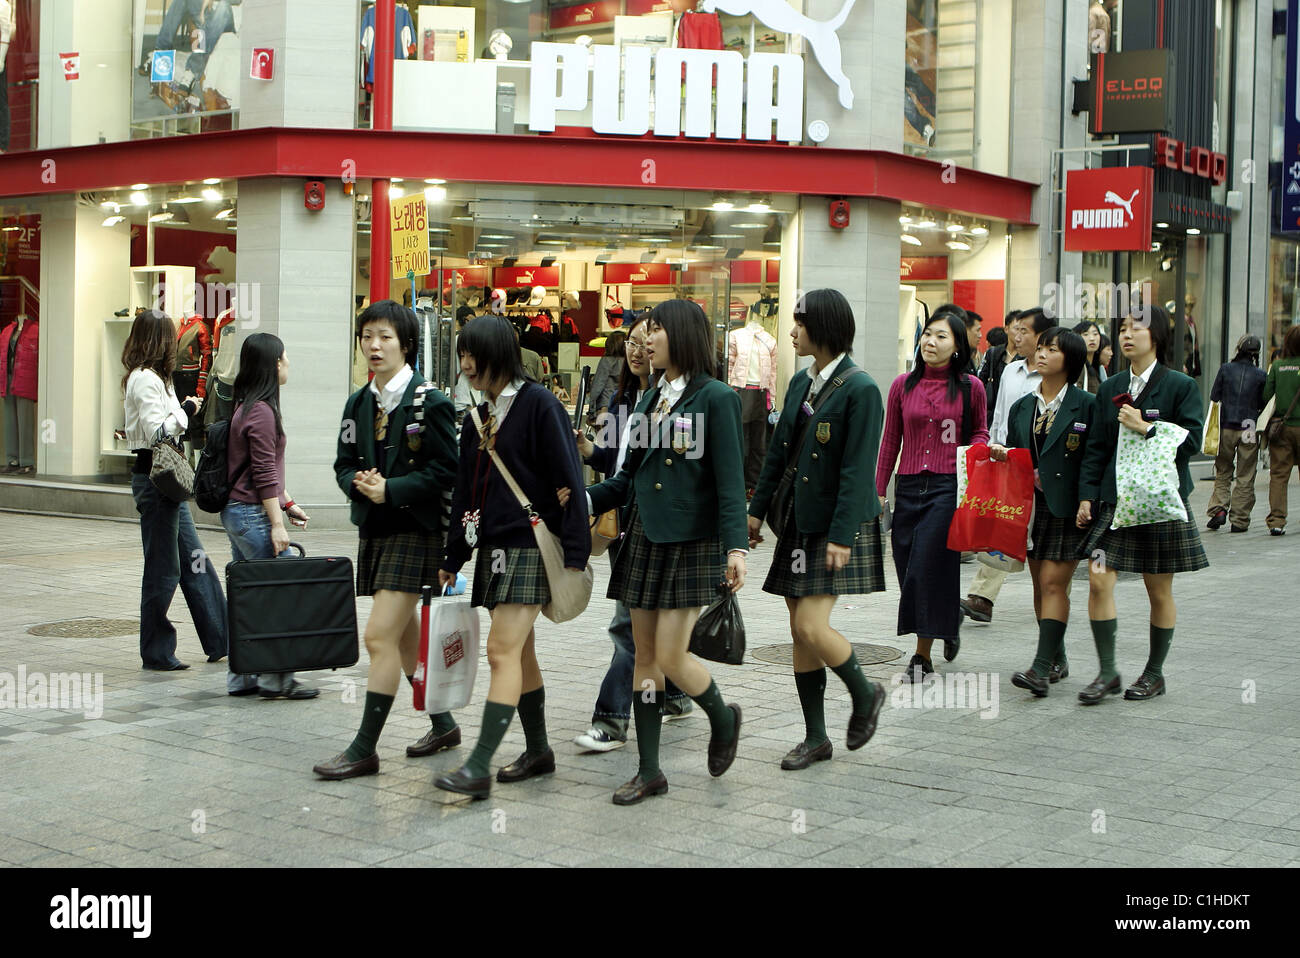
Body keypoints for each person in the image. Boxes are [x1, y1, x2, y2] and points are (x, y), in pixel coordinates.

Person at [585, 299, 748, 805]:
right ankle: (649, 770)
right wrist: (584, 499)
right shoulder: (648, 398)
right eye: (644, 331)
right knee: (645, 661)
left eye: (655, 331)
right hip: (643, 541)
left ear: (680, 335)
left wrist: (736, 547)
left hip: (689, 544)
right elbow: (628, 477)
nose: (645, 340)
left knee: (674, 658)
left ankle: (722, 715)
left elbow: (729, 481)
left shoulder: (715, 398)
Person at [433, 314, 590, 800]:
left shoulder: (540, 404)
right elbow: (465, 494)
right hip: (493, 548)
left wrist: (577, 551)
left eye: (471, 355)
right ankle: (539, 750)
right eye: (461, 356)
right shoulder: (476, 417)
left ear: (497, 354)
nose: (464, 365)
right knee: (519, 652)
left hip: (528, 546)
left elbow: (570, 478)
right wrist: (453, 555)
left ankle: (478, 764)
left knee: (501, 650)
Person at [314, 301, 462, 780]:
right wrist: (357, 482)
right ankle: (442, 724)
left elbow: (448, 470)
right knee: (401, 638)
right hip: (376, 528)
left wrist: (393, 489)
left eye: (384, 338)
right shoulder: (359, 402)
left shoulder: (430, 401)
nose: (374, 346)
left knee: (378, 635)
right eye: (367, 337)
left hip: (415, 531)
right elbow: (342, 461)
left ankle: (364, 748)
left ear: (406, 345)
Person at [748, 289, 887, 769]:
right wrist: (754, 510)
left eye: (798, 325)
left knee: (811, 624)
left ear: (822, 328)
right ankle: (816, 737)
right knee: (798, 630)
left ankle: (865, 694)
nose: (791, 333)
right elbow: (776, 455)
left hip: (833, 524)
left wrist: (842, 536)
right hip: (795, 521)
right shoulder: (799, 384)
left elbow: (857, 469)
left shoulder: (861, 388)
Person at [572, 313, 693, 752]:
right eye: (632, 342)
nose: (638, 350)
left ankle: (611, 717)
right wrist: (591, 452)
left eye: (648, 340)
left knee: (628, 626)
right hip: (622, 521)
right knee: (641, 626)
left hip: (658, 528)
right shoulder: (628, 401)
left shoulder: (685, 402)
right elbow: (622, 469)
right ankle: (677, 694)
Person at [1077, 306, 1208, 703]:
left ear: (1159, 336)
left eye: (1137, 327)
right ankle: (1107, 672)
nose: (1126, 335)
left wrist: (1148, 428)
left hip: (1159, 503)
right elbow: (1096, 446)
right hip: (1115, 502)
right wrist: (1087, 495)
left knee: (1158, 589)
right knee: (1097, 578)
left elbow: (1193, 443)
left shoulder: (1181, 385)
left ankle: (1154, 673)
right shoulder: (1111, 385)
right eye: (1122, 328)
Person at [876, 309, 988, 682]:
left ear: (957, 347)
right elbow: (891, 439)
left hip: (947, 488)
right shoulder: (901, 385)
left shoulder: (971, 387)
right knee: (908, 569)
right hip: (907, 486)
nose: (930, 342)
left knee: (924, 568)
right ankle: (949, 618)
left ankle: (921, 656)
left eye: (941, 336)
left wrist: (982, 453)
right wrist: (877, 491)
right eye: (927, 334)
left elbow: (979, 434)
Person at [121, 309, 227, 670]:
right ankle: (156, 651)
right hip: (155, 478)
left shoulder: (155, 377)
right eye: (170, 337)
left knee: (195, 562)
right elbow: (158, 432)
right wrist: (185, 409)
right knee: (163, 569)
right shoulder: (144, 380)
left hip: (168, 479)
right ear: (159, 341)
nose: (175, 343)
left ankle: (222, 639)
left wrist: (182, 408)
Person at [991, 328, 1093, 694]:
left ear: (1071, 360)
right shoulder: (1023, 406)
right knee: (1039, 586)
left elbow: (1094, 459)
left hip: (1068, 508)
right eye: (1042, 347)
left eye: (1053, 349)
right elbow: (1018, 452)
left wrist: (1088, 498)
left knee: (1053, 583)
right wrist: (1004, 455)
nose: (1042, 353)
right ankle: (1057, 657)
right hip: (1031, 508)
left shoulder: (1086, 405)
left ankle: (1039, 667)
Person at [220, 333, 317, 699]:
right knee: (279, 594)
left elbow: (264, 470)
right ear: (274, 364)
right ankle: (277, 679)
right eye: (285, 357)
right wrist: (277, 524)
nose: (288, 363)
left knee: (247, 596)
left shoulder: (246, 405)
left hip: (238, 512)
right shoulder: (261, 412)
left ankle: (242, 677)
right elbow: (262, 475)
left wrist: (288, 504)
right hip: (252, 515)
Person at [964, 307, 1054, 624]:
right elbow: (1000, 414)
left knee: (1031, 539)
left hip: (1043, 469)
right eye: (1014, 329)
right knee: (1005, 525)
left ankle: (1051, 598)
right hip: (1008, 460)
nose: (1015, 336)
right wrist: (994, 448)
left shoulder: (1054, 373)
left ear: (1041, 336)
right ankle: (983, 597)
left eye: (1023, 331)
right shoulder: (1010, 370)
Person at [1206, 334, 1266, 533]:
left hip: (1226, 425)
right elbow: (1263, 403)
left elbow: (1215, 396)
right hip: (1249, 425)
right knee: (1246, 473)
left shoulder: (1226, 369)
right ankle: (1240, 519)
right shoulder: (1260, 375)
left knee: (1223, 469)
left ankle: (1219, 509)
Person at [1264, 325, 1300, 535]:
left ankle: (1277, 521)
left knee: (1279, 475)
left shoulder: (1278, 366)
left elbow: (1267, 396)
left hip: (1282, 427)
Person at [978, 310, 1021, 416]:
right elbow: (981, 381)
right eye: (1016, 329)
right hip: (992, 412)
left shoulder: (1026, 357)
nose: (1019, 333)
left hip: (1015, 411)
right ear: (1006, 329)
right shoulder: (993, 353)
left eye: (1023, 330)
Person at [586, 330, 626, 422]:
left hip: (606, 406)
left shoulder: (607, 361)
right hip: (624, 406)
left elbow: (597, 386)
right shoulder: (629, 362)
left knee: (605, 435)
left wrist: (591, 411)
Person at [1072, 321, 1105, 394]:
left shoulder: (1096, 367)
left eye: (1095, 334)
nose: (1092, 338)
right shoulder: (1077, 366)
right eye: (1085, 334)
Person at [963, 310, 983, 374]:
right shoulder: (956, 360)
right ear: (965, 330)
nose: (980, 335)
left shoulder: (969, 358)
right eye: (978, 330)